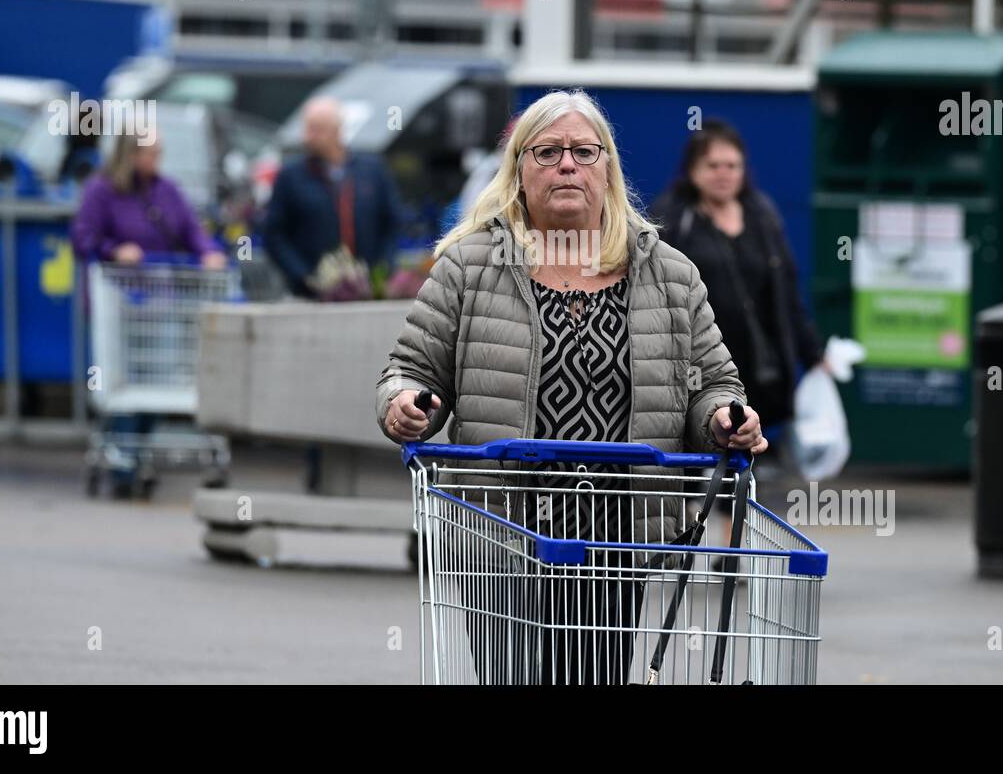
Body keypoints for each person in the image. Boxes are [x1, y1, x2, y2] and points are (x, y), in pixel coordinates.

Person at [377, 89, 767, 685]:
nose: (567, 165)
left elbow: (713, 384)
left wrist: (724, 419)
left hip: (617, 541)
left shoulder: (668, 274)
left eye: (584, 152)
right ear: (518, 172)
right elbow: (410, 372)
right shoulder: (470, 267)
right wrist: (406, 405)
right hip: (502, 537)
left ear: (607, 169)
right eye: (547, 152)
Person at [649, 119, 827, 474]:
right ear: (693, 171)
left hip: (755, 367)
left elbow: (787, 294)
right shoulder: (673, 217)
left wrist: (814, 355)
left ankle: (734, 527)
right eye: (713, 165)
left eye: (732, 165)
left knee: (740, 471)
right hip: (693, 363)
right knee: (689, 466)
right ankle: (689, 527)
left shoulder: (763, 215)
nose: (724, 174)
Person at [71, 129, 227, 496]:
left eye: (160, 153)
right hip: (119, 302)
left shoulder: (165, 190)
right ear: (130, 154)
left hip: (161, 302)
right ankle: (123, 455)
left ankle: (132, 451)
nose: (156, 161)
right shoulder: (102, 191)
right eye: (151, 154)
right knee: (122, 382)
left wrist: (207, 252)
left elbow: (190, 230)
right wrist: (114, 250)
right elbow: (82, 238)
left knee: (156, 380)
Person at [263, 97, 403, 298]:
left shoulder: (372, 170)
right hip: (310, 297)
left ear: (337, 130)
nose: (308, 137)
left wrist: (382, 269)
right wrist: (304, 277)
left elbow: (393, 224)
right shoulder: (290, 176)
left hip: (368, 292)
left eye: (317, 129)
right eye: (307, 128)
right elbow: (274, 235)